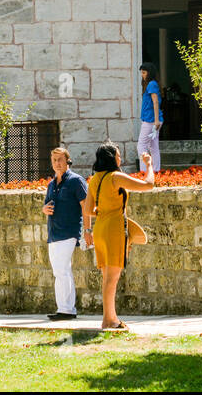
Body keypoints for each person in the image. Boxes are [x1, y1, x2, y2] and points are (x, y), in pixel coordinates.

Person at [82, 140, 155, 331]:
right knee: (112, 278)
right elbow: (148, 185)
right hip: (114, 229)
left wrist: (105, 211)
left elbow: (88, 210)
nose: (120, 158)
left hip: (100, 229)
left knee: (107, 276)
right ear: (112, 157)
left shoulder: (95, 179)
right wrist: (149, 166)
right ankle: (109, 320)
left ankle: (111, 317)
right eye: (118, 154)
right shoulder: (116, 177)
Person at [41, 146, 87, 320]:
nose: (57, 163)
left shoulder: (76, 181)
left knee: (61, 271)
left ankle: (66, 309)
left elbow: (86, 206)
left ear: (68, 161)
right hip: (54, 233)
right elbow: (47, 205)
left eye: (60, 159)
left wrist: (86, 231)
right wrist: (44, 209)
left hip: (69, 231)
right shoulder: (52, 184)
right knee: (61, 271)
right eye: (54, 160)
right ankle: (66, 309)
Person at [137, 62, 163, 173]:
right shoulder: (152, 84)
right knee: (153, 146)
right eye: (141, 73)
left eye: (144, 72)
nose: (142, 75)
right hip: (153, 120)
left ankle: (144, 171)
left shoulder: (151, 84)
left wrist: (156, 120)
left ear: (149, 73)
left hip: (150, 120)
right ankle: (156, 170)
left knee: (141, 146)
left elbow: (155, 102)